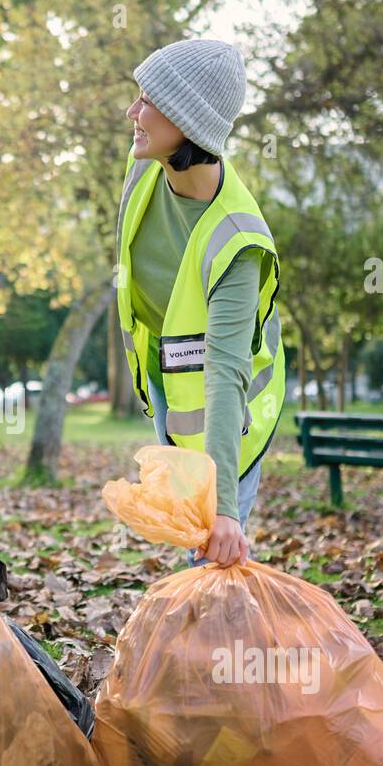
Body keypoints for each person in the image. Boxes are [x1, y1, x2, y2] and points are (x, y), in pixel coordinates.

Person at [115, 39, 286, 568]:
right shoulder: (145, 167)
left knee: (213, 547)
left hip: (232, 408)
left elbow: (226, 373)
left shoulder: (238, 241)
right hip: (168, 381)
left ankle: (231, 649)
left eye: (149, 101)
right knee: (189, 536)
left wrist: (228, 510)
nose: (132, 114)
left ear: (187, 122)